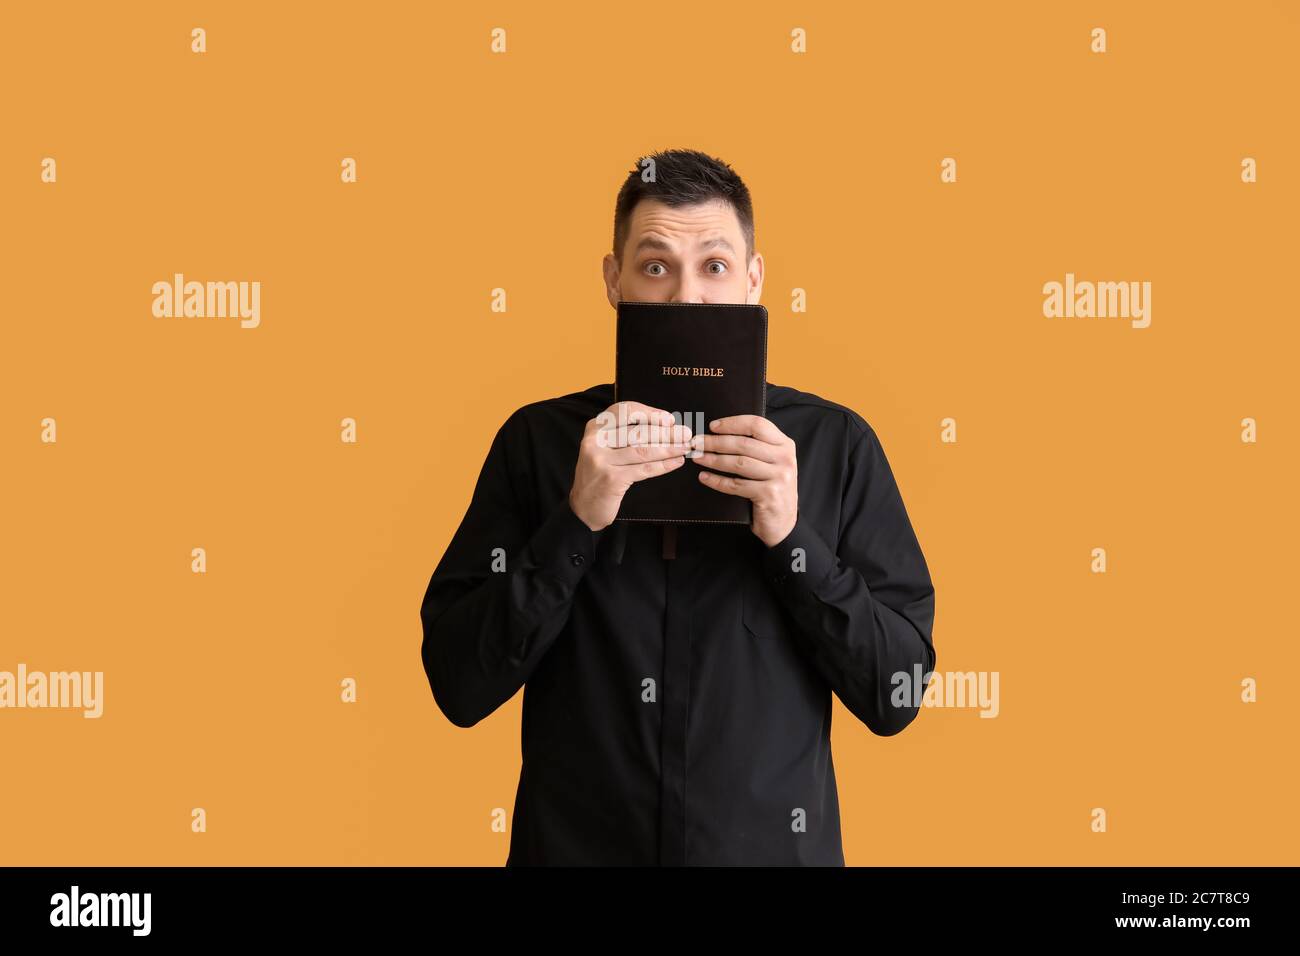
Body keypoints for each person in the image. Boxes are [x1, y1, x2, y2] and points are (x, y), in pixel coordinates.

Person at [419, 148, 937, 865]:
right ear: (614, 281)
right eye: (655, 266)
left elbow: (896, 696)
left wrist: (793, 538)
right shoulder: (537, 444)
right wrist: (576, 521)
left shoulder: (834, 445)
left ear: (754, 281)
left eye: (715, 267)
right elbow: (456, 684)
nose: (686, 298)